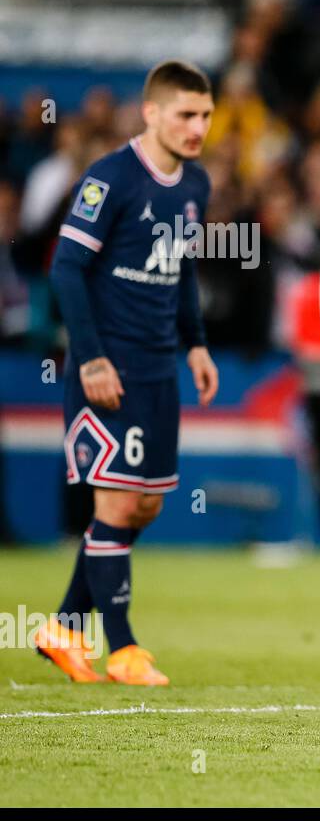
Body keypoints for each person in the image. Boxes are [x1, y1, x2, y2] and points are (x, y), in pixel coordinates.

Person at [35, 61, 220, 686]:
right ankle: (123, 648)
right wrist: (89, 357)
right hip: (106, 367)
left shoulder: (194, 185)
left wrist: (194, 344)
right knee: (114, 502)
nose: (197, 127)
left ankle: (62, 627)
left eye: (205, 115)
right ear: (152, 113)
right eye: (185, 115)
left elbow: (182, 267)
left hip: (158, 367)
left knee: (143, 508)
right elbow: (65, 268)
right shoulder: (110, 177)